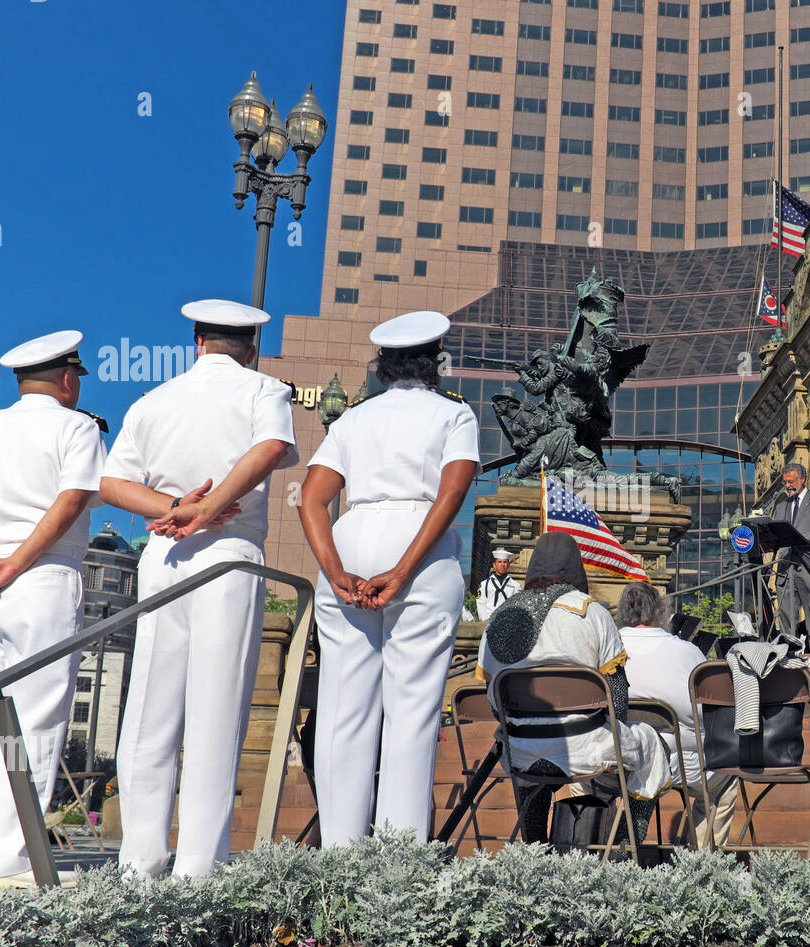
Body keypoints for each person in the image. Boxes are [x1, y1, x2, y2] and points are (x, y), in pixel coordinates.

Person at [100, 299, 298, 879]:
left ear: (197, 341)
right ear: (251, 347)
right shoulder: (264, 390)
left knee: (150, 709)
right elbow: (269, 450)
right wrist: (210, 507)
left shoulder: (153, 399)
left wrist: (176, 507)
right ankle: (198, 866)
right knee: (216, 708)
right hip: (228, 547)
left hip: (163, 550)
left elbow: (112, 483)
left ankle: (138, 861)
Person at [298, 310, 478, 847]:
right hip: (417, 547)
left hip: (351, 536)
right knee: (412, 710)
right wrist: (403, 570)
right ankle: (399, 859)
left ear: (383, 367)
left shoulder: (353, 419)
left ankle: (340, 854)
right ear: (435, 362)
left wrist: (333, 572)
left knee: (342, 710)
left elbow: (312, 497)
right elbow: (452, 492)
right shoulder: (454, 415)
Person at [0, 333, 104, 890]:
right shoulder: (76, 426)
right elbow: (73, 498)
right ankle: (7, 858)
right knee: (34, 723)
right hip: (37, 578)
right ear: (67, 380)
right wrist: (16, 564)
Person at [477, 533, 672, 842]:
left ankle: (535, 847)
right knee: (653, 744)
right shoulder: (592, 611)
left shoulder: (500, 615)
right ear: (575, 568)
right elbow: (617, 697)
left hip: (520, 750)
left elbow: (493, 701)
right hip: (585, 749)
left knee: (530, 755)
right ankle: (624, 844)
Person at [617, 581, 738, 848]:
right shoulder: (687, 652)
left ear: (622, 613)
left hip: (615, 764)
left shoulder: (606, 648)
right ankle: (701, 861)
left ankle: (593, 849)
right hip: (682, 765)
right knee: (727, 778)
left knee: (585, 784)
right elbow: (708, 712)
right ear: (661, 612)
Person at [773, 462, 810, 652]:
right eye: (785, 483)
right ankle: (788, 658)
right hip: (786, 568)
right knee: (786, 618)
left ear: (803, 479)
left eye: (791, 482)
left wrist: (798, 538)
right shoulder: (782, 506)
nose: (788, 486)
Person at [476, 547, 520, 621]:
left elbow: (517, 604)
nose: (502, 565)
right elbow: (480, 603)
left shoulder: (515, 585)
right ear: (494, 564)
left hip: (507, 621)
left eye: (505, 562)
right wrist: (484, 620)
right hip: (489, 620)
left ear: (508, 565)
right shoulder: (484, 584)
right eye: (499, 562)